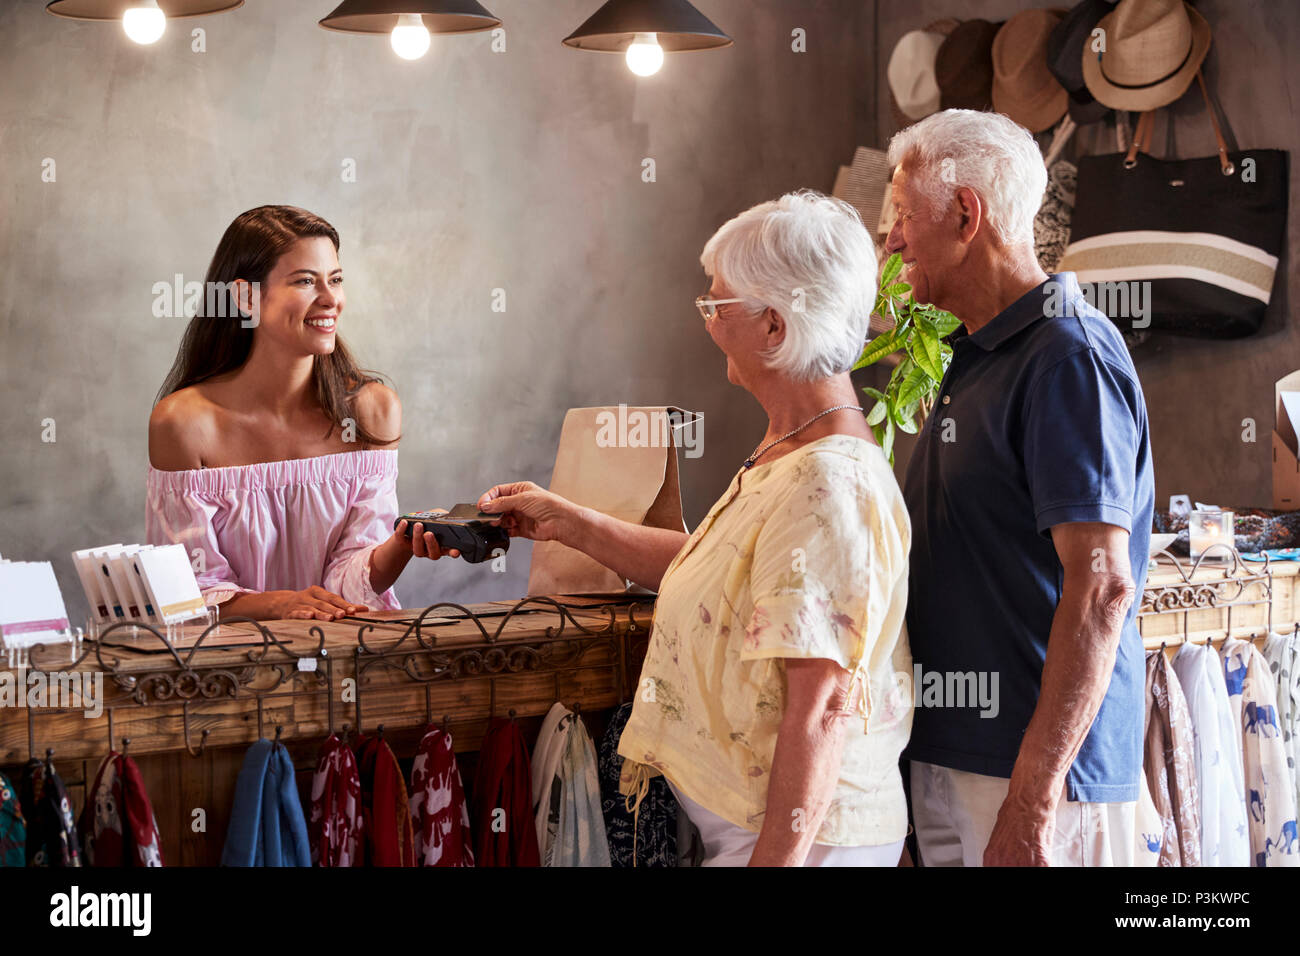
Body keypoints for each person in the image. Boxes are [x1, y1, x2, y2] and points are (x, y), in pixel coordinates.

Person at [478, 191, 914, 866]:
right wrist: (564, 519)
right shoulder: (792, 450)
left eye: (716, 305)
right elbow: (717, 568)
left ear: (775, 326)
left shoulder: (828, 484)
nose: (706, 324)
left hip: (807, 842)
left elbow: (823, 705)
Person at [885, 109, 1158, 866]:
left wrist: (1034, 799)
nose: (891, 239)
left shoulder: (1067, 355)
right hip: (954, 758)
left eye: (904, 217)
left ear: (967, 214)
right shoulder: (973, 354)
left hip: (1035, 783)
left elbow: (1101, 588)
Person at [147, 205, 455, 622]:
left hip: (345, 663)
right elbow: (188, 593)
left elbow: (350, 578)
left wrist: (400, 544)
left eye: (336, 279)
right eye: (306, 281)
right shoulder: (183, 424)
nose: (331, 300)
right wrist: (280, 604)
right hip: (226, 675)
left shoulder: (372, 411)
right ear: (244, 297)